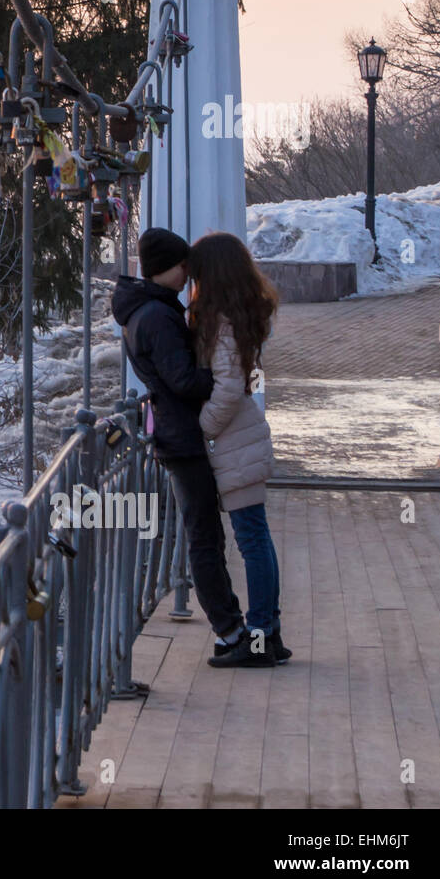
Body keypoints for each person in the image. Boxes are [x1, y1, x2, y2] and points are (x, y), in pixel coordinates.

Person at [112, 229, 259, 668]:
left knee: (205, 535)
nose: (188, 276)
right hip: (181, 439)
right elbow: (181, 379)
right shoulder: (156, 316)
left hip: (175, 436)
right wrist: (226, 380)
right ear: (164, 268)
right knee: (203, 537)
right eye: (183, 268)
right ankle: (230, 632)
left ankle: (229, 629)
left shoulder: (147, 310)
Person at [188, 231, 291, 666]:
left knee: (251, 541)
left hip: (233, 442)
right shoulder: (237, 314)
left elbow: (229, 388)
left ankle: (260, 638)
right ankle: (270, 634)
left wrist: (203, 427)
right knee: (257, 540)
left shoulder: (223, 321)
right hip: (243, 439)